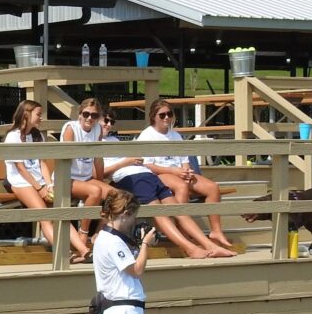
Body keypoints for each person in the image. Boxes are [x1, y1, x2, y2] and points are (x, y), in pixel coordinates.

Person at [107, 105, 234, 259]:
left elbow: (145, 161)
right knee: (160, 211)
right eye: (104, 121)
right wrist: (127, 162)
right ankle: (189, 247)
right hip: (134, 178)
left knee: (179, 210)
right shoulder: (92, 144)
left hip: (146, 175)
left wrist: (186, 171)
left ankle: (210, 244)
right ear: (154, 116)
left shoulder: (114, 140)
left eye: (111, 121)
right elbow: (100, 173)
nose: (108, 124)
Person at [138, 98, 236, 251]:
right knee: (182, 187)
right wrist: (175, 171)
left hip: (178, 173)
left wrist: (187, 171)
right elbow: (147, 165)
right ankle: (184, 233)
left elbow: (184, 160)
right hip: (158, 175)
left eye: (169, 114)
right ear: (153, 117)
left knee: (212, 188)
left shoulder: (175, 135)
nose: (166, 118)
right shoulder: (147, 135)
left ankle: (216, 231)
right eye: (162, 115)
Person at [4, 99, 91, 263]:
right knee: (45, 215)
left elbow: (42, 163)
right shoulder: (13, 136)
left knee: (61, 212)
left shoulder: (37, 135)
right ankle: (64, 253)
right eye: (38, 114)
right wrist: (39, 188)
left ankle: (84, 250)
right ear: (26, 114)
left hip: (39, 182)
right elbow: (21, 168)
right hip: (20, 182)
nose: (41, 117)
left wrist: (48, 185)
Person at [61, 98, 111, 246]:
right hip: (66, 177)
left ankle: (98, 234)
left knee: (119, 197)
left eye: (94, 115)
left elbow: (98, 159)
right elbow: (65, 159)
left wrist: (101, 181)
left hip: (86, 178)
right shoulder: (71, 128)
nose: (89, 118)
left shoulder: (97, 129)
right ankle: (83, 234)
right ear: (80, 114)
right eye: (86, 114)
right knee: (95, 191)